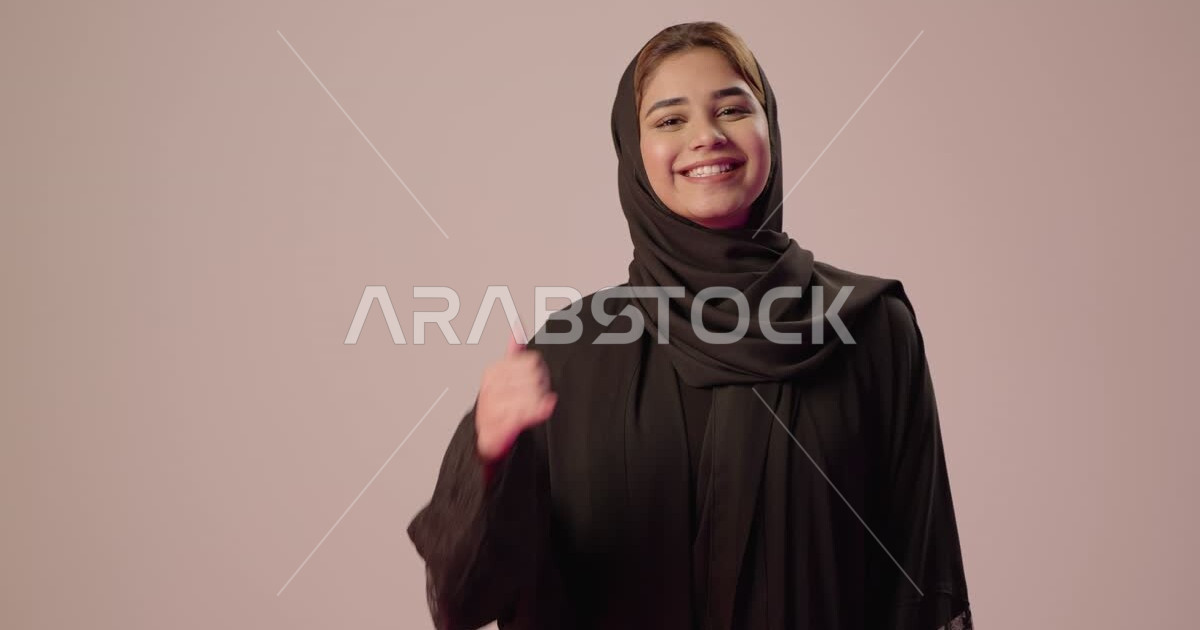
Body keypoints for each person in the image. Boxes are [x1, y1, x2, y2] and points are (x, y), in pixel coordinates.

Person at [407, 21, 973, 630]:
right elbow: (465, 602)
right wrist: (486, 458)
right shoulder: (565, 354)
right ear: (633, 149)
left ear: (769, 129)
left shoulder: (870, 328)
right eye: (670, 119)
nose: (706, 137)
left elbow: (922, 577)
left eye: (731, 108)